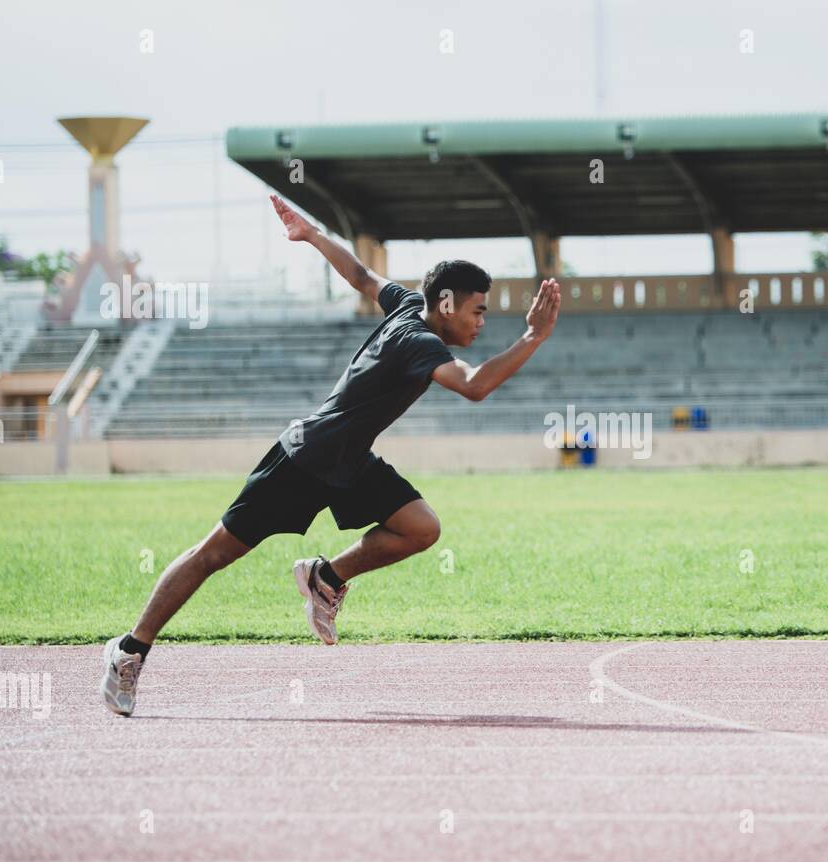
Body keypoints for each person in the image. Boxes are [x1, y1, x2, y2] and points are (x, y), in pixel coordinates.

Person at [100, 194, 561, 716]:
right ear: (448, 304)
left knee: (420, 528)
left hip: (349, 459)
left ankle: (327, 576)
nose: (481, 322)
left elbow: (363, 276)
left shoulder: (410, 304)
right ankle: (129, 650)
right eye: (478, 310)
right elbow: (474, 387)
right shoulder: (419, 340)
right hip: (304, 459)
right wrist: (533, 336)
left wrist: (314, 235)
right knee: (212, 555)